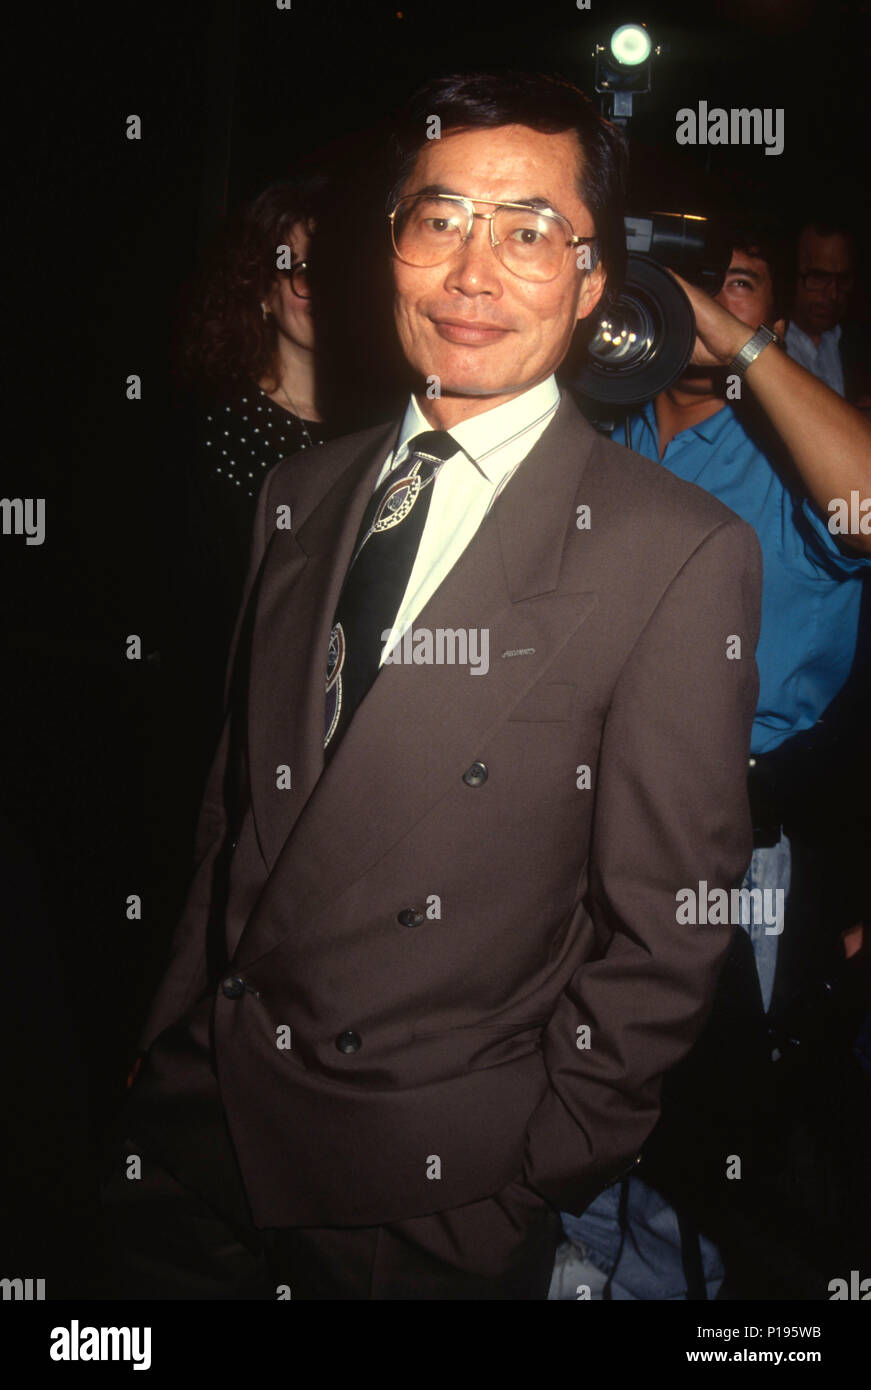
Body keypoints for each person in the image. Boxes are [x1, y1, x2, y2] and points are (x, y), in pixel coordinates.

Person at [101, 70, 763, 1301]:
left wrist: (531, 1172)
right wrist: (168, 1033)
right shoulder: (297, 496)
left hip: (420, 1199)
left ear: (592, 278)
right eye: (439, 219)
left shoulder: (675, 552)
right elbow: (235, 815)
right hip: (193, 1142)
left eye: (529, 233)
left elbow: (666, 931)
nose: (473, 274)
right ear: (388, 244)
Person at [560, 222, 871, 1300]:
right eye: (675, 278)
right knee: (577, 1082)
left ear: (772, 320)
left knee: (702, 1130)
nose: (689, 299)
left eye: (729, 283)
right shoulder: (604, 429)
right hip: (588, 818)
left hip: (735, 844)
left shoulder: (794, 448)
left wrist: (733, 342)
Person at [785, 219, 871, 411]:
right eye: (818, 277)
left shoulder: (859, 344)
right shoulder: (767, 345)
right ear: (790, 274)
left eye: (843, 279)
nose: (833, 293)